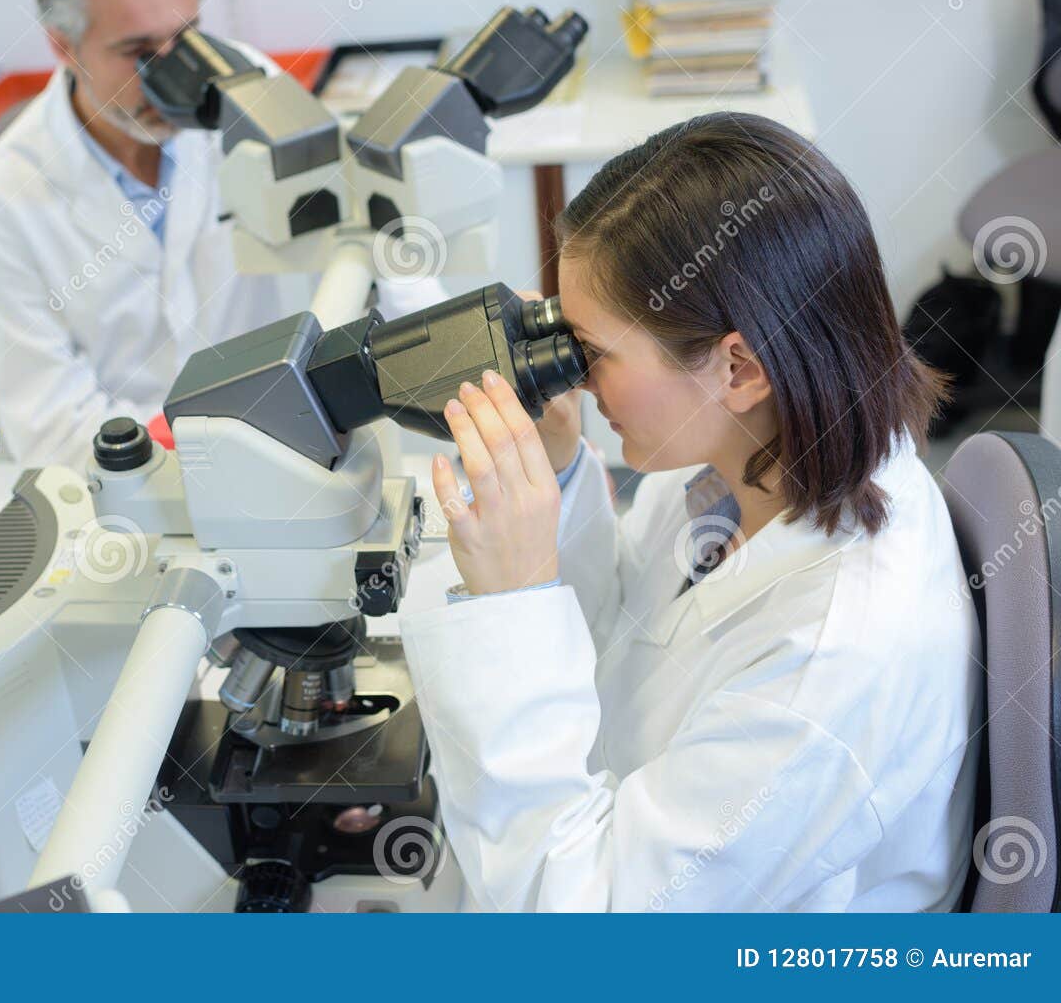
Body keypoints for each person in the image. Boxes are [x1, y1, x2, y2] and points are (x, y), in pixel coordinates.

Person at [400, 113, 982, 911]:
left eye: (591, 352)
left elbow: (586, 933)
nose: (575, 378)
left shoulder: (833, 664)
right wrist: (565, 470)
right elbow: (629, 632)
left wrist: (513, 609)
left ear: (738, 366)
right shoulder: (748, 464)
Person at [0, 0, 442, 468]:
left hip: (284, 444)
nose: (177, 79)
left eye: (186, 39)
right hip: (127, 490)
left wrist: (440, 354)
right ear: (64, 47)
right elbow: (51, 429)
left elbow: (365, 220)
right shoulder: (0, 201)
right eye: (139, 53)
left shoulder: (247, 89)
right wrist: (204, 453)